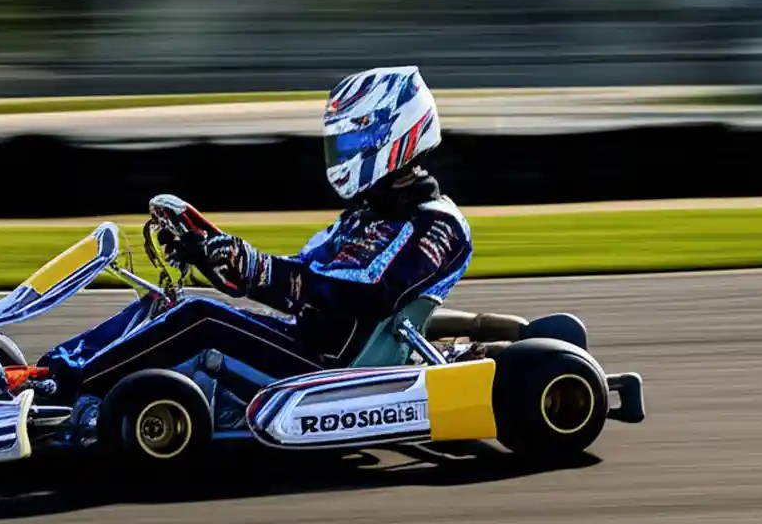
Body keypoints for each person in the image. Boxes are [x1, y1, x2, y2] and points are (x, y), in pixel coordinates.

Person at [44, 66, 473, 397]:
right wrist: (213, 256)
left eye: (351, 140)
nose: (341, 151)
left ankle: (68, 390)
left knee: (199, 318)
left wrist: (254, 267)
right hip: (302, 341)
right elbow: (299, 276)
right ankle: (49, 370)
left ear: (393, 135)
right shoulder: (366, 214)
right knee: (163, 306)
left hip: (333, 369)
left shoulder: (437, 224)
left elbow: (365, 292)